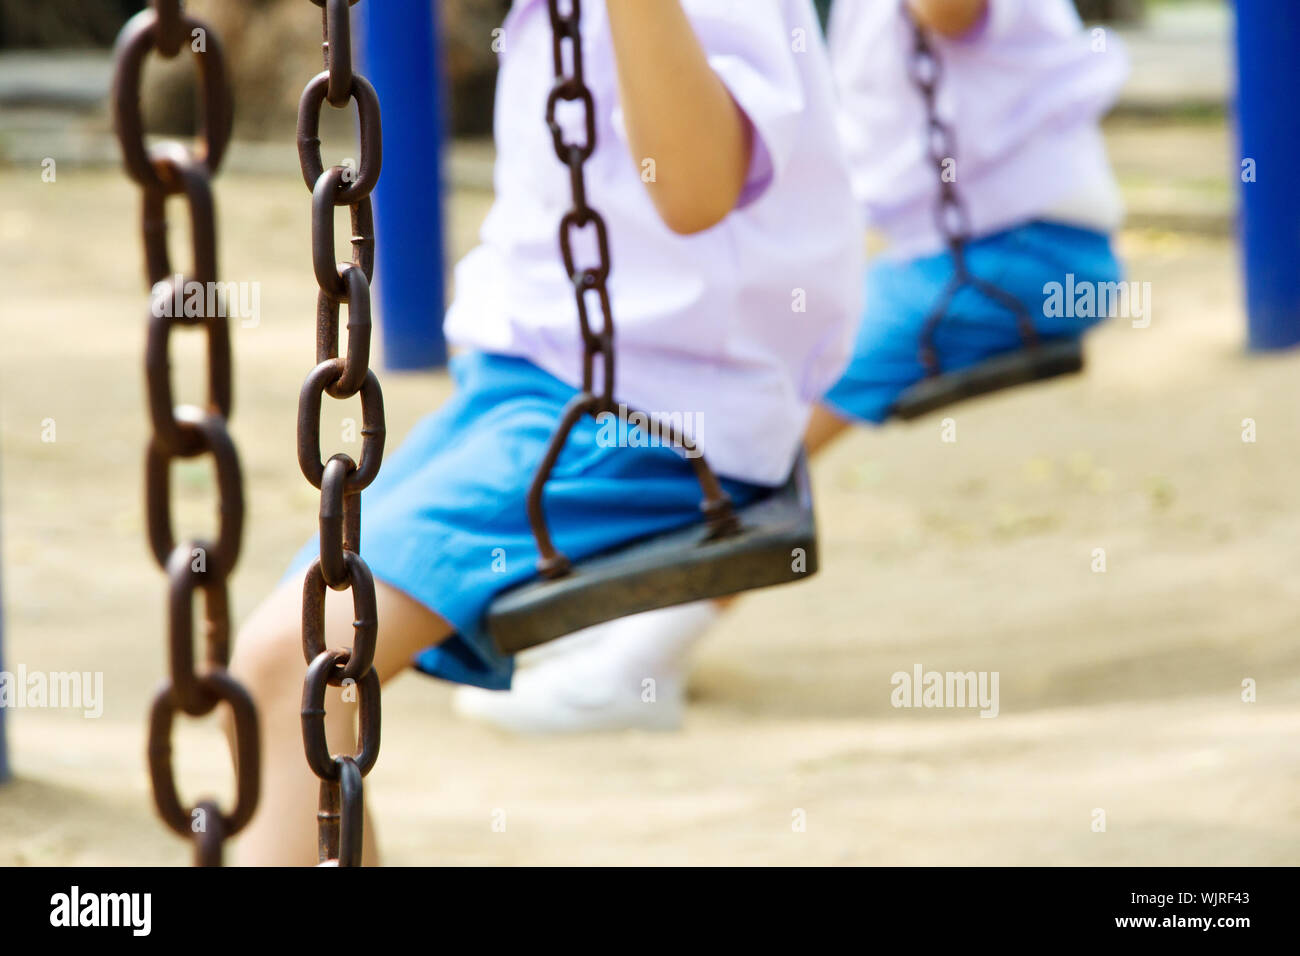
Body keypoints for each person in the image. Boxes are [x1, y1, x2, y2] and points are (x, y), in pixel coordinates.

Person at [229, 0, 860, 864]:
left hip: (649, 414)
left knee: (291, 670)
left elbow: (694, 185)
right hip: (536, 389)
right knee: (286, 671)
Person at [452, 0, 1129, 734]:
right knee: (772, 394)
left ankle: (638, 662)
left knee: (774, 419)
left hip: (1016, 256)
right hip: (988, 252)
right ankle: (629, 614)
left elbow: (949, 12)